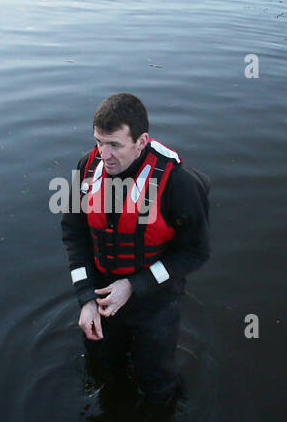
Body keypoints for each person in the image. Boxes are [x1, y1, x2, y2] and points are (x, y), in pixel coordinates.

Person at [61, 93, 210, 405]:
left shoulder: (178, 184)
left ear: (141, 141)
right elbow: (75, 235)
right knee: (103, 368)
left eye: (114, 144)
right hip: (101, 297)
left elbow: (195, 252)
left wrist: (134, 285)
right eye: (99, 142)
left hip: (155, 301)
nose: (104, 154)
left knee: (156, 383)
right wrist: (86, 298)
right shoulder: (87, 169)